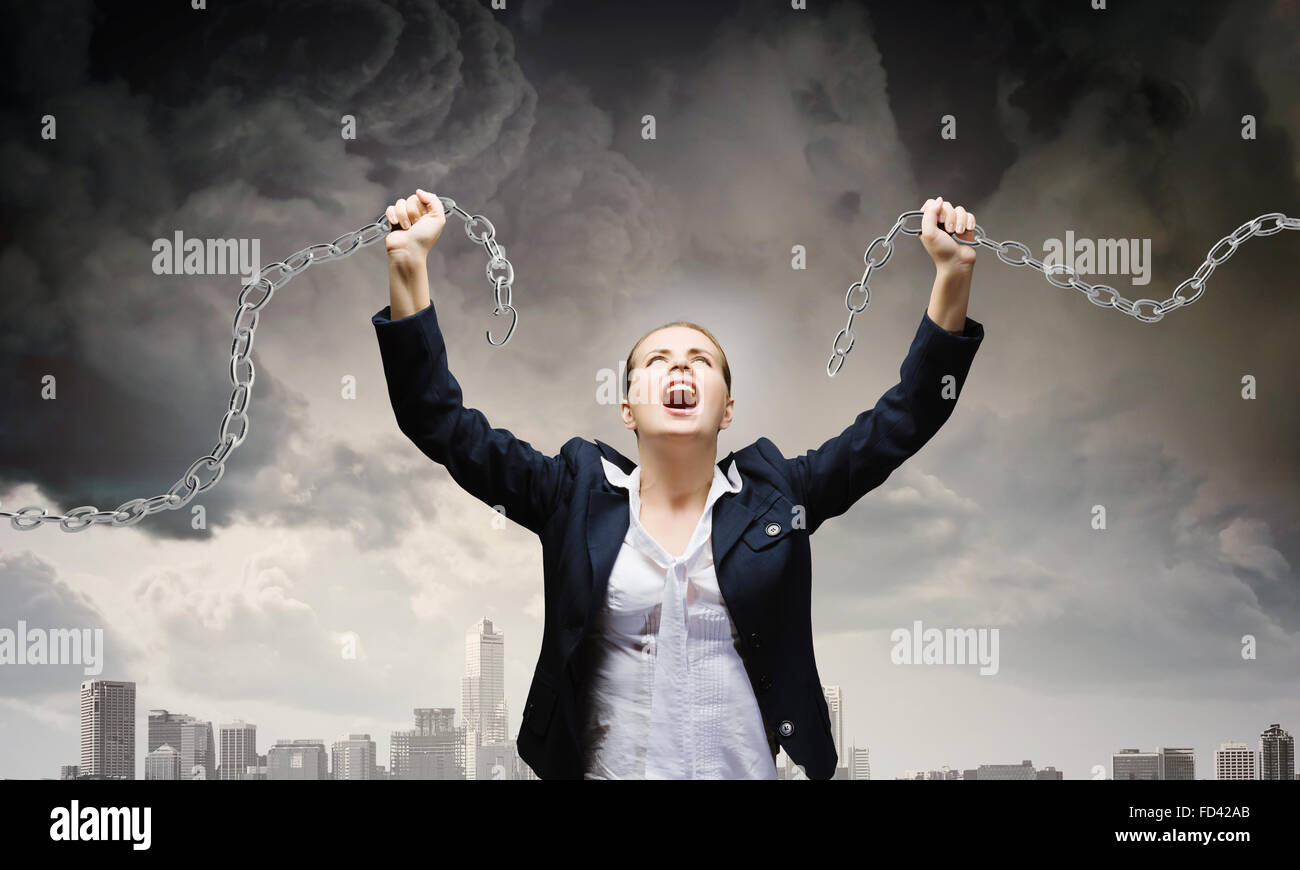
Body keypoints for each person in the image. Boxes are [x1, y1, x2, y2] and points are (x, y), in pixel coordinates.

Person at [373, 189, 984, 779]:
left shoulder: (779, 497)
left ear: (726, 410)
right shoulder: (572, 493)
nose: (681, 367)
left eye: (701, 360)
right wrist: (408, 267)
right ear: (627, 409)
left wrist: (952, 275)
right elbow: (440, 423)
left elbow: (902, 420)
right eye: (658, 361)